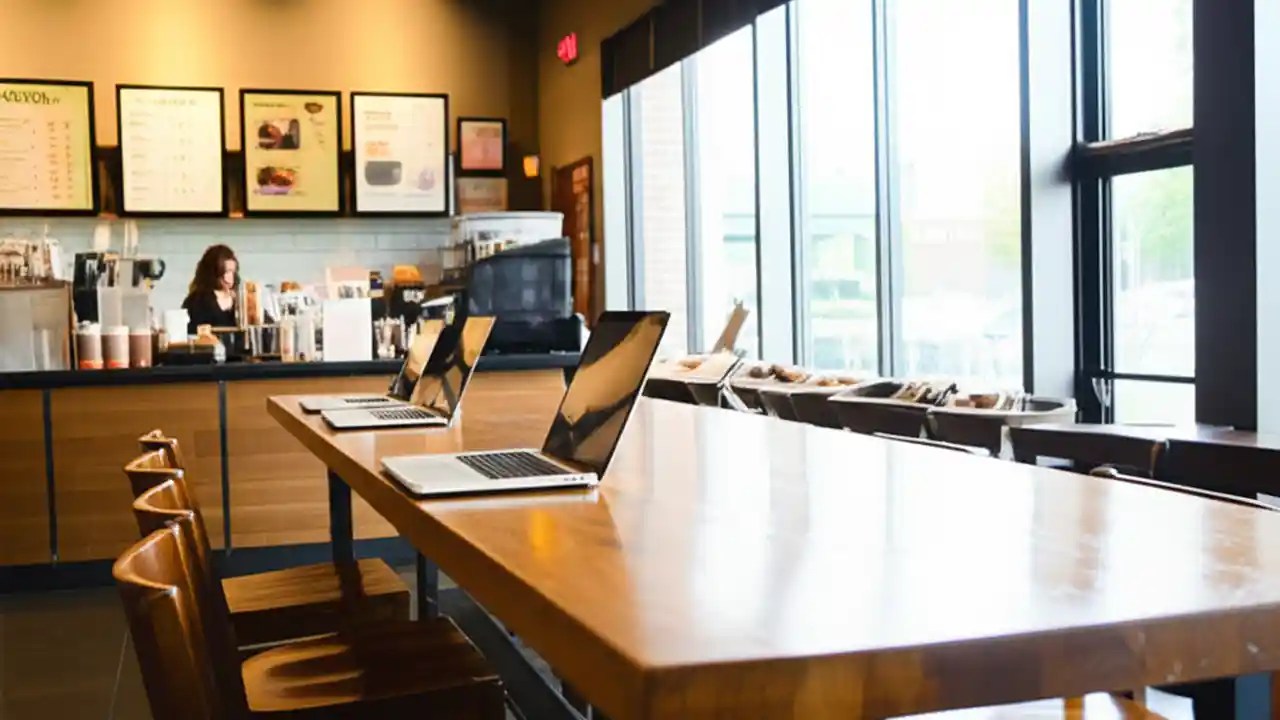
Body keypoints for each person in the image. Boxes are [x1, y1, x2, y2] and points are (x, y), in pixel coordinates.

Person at [182, 244, 238, 335]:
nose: (228, 278)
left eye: (232, 272)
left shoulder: (241, 297)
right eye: (224, 272)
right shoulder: (197, 300)